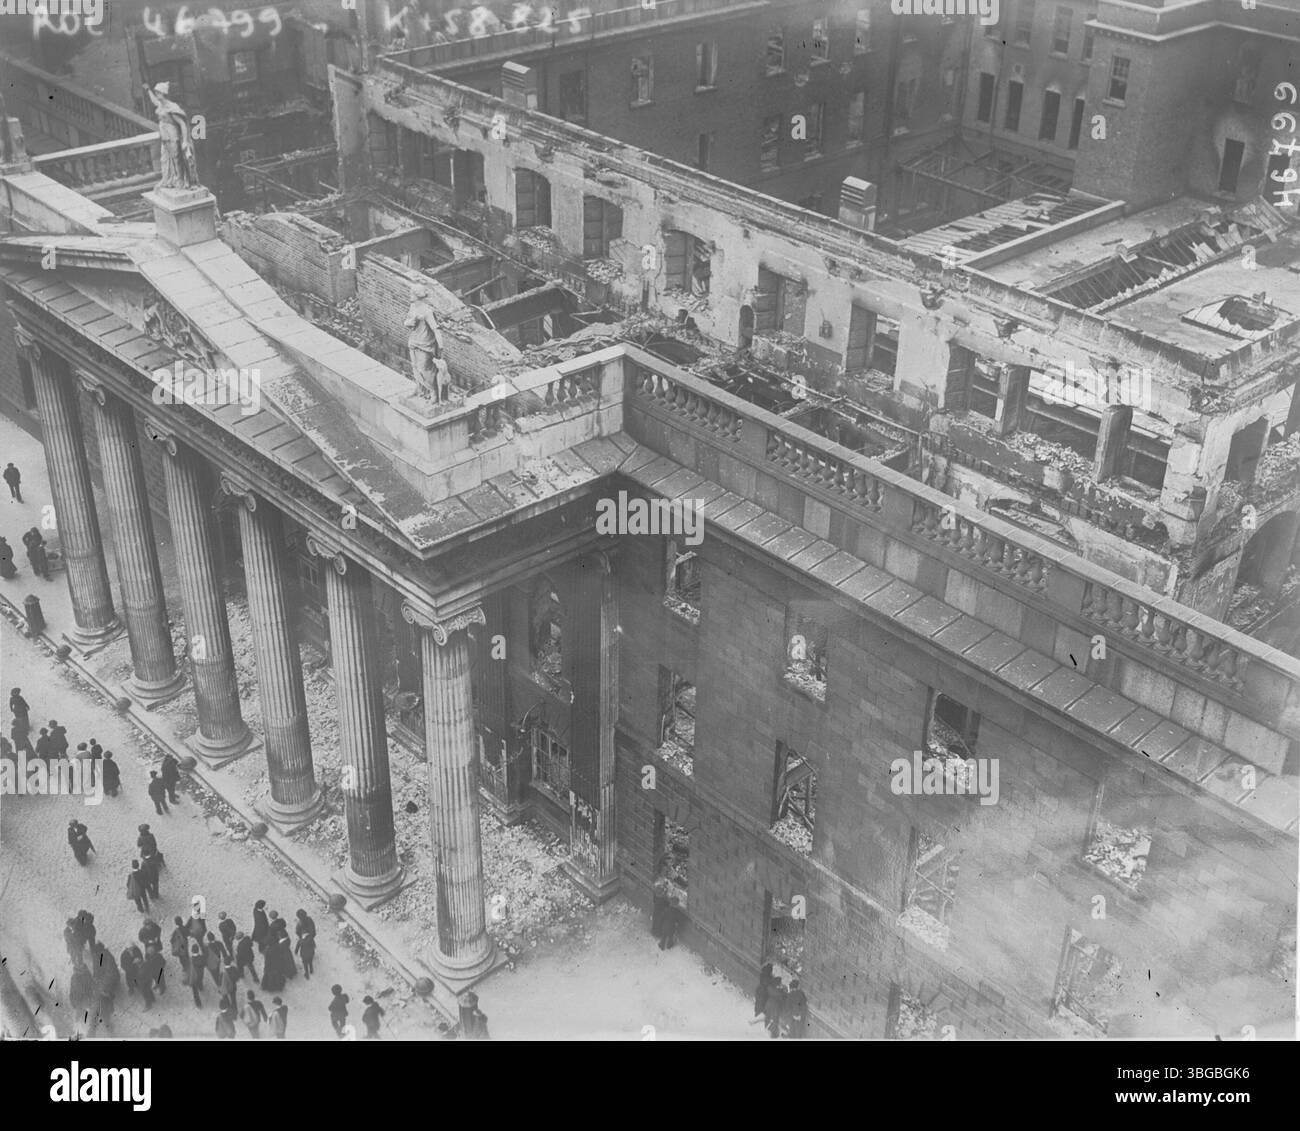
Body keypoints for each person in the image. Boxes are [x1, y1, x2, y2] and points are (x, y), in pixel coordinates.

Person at [187, 936, 206, 1008]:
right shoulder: (202, 957)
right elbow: (204, 965)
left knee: (195, 992)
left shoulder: (190, 960)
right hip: (201, 974)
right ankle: (201, 987)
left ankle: (198, 1003)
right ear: (198, 950)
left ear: (192, 951)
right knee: (200, 981)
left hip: (194, 977)